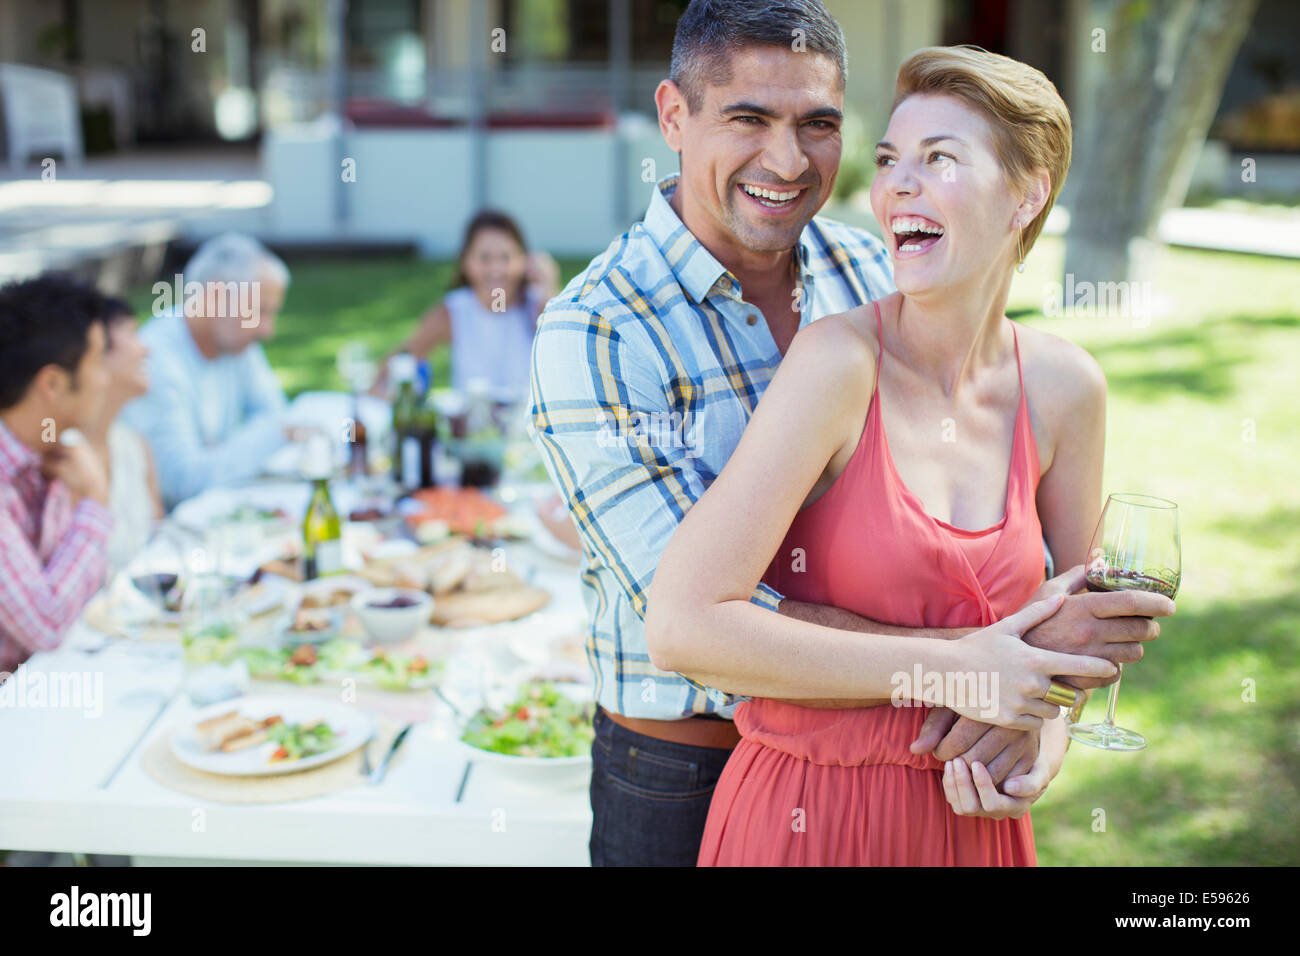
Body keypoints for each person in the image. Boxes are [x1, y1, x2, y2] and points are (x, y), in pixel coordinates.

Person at [531, 0, 1172, 868]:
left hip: (939, 771)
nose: (788, 160)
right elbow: (692, 620)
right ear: (674, 117)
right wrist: (985, 666)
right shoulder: (595, 333)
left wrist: (1041, 717)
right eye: (749, 119)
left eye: (819, 124)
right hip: (685, 766)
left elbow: (1067, 602)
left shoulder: (875, 270)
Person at [122, 233, 291, 508]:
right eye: (259, 311)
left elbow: (277, 413)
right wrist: (275, 436)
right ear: (215, 297)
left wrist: (223, 453)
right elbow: (182, 483)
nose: (267, 330)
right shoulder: (156, 359)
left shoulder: (236, 342)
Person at [0, 273, 114, 676]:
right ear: (52, 382)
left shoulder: (47, 452)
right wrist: (95, 503)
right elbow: (46, 624)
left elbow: (81, 596)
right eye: (100, 360)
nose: (107, 378)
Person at [379, 211, 559, 398]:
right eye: (485, 258)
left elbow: (566, 363)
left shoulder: (538, 305)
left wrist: (549, 290)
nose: (496, 269)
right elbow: (398, 362)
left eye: (506, 257)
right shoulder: (455, 310)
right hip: (472, 424)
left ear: (523, 261)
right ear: (466, 262)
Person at [77, 296, 163, 575]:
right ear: (94, 349)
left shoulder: (135, 445)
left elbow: (161, 546)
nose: (146, 349)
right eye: (130, 332)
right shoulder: (62, 459)